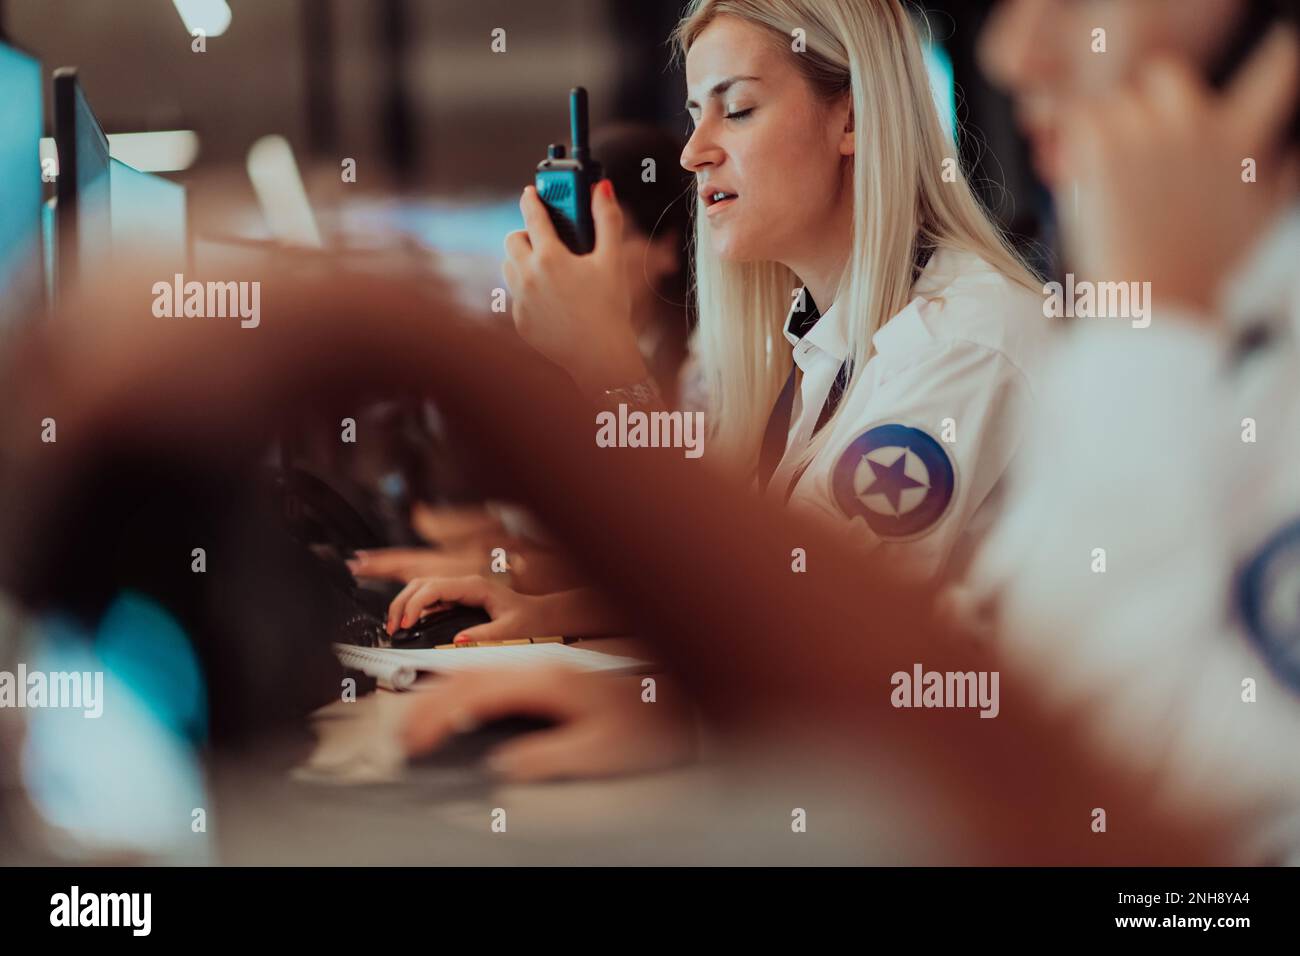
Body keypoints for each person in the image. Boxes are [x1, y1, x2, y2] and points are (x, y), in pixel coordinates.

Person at [503, 0, 1051, 584]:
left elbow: (800, 615)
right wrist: (551, 611)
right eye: (694, 116)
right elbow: (720, 577)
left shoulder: (961, 340)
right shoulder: (815, 343)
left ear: (852, 119)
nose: (692, 153)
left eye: (736, 110)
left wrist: (606, 368)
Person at [973, 0, 1300, 859]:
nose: (1016, 55)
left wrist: (1153, 333)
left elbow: (1068, 799)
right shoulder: (1194, 297)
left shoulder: (1157, 318)